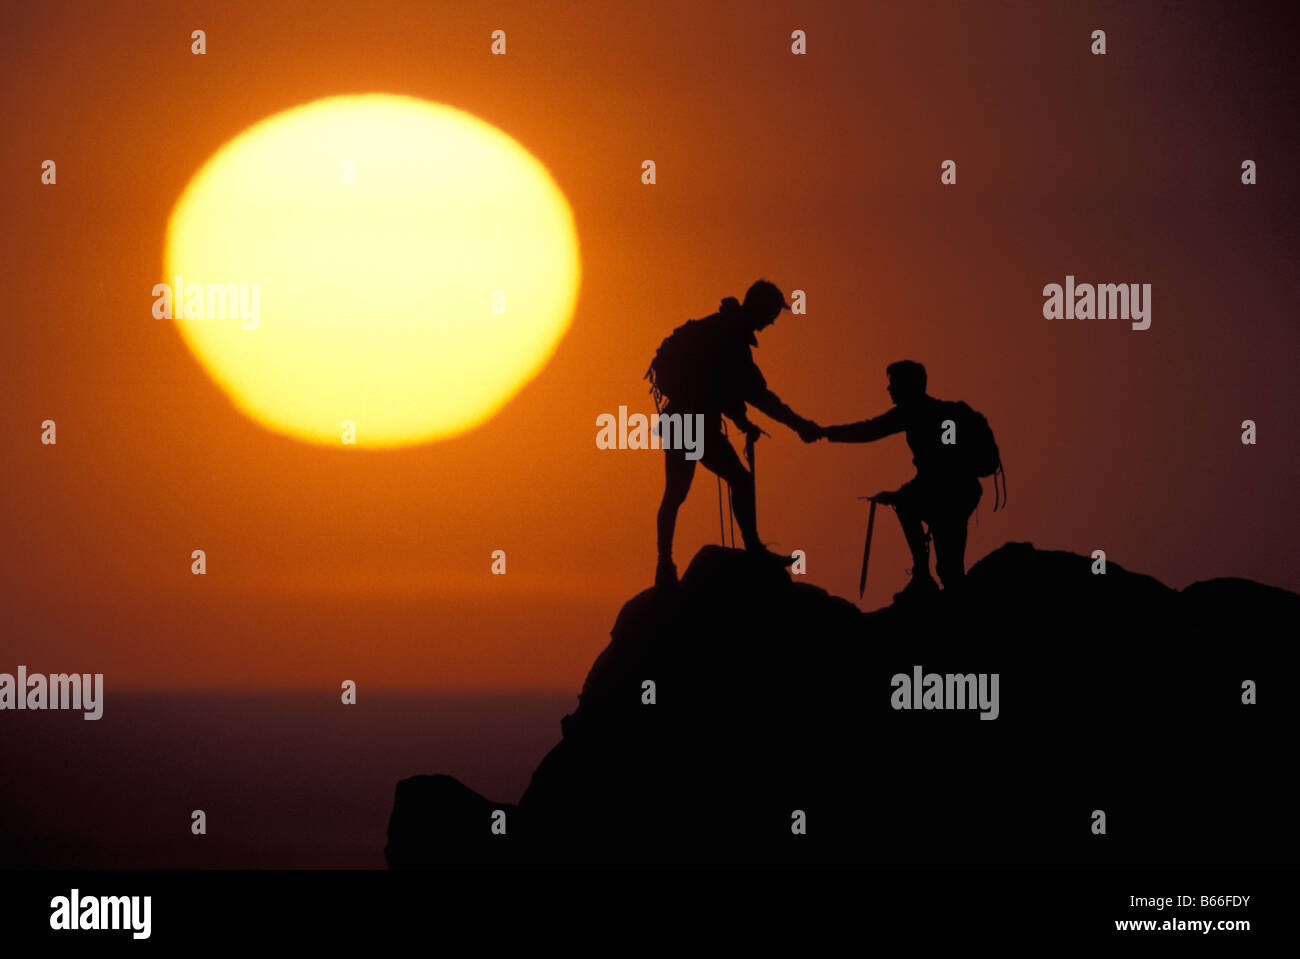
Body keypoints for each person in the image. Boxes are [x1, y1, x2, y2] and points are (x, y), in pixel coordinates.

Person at [649, 280, 822, 588]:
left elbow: (723, 386)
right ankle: (751, 548)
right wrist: (800, 425)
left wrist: (741, 420)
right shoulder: (732, 338)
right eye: (771, 315)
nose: (770, 323)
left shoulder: (723, 329)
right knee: (733, 481)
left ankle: (664, 564)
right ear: (760, 308)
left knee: (676, 493)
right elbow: (757, 394)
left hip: (681, 420)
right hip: (693, 423)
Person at [813, 360, 983, 601]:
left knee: (948, 566)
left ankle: (925, 579)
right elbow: (935, 470)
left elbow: (870, 430)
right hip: (961, 491)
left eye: (893, 384)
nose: (889, 389)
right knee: (948, 564)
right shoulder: (929, 411)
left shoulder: (915, 411)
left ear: (907, 386)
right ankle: (924, 577)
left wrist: (823, 433)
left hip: (951, 492)